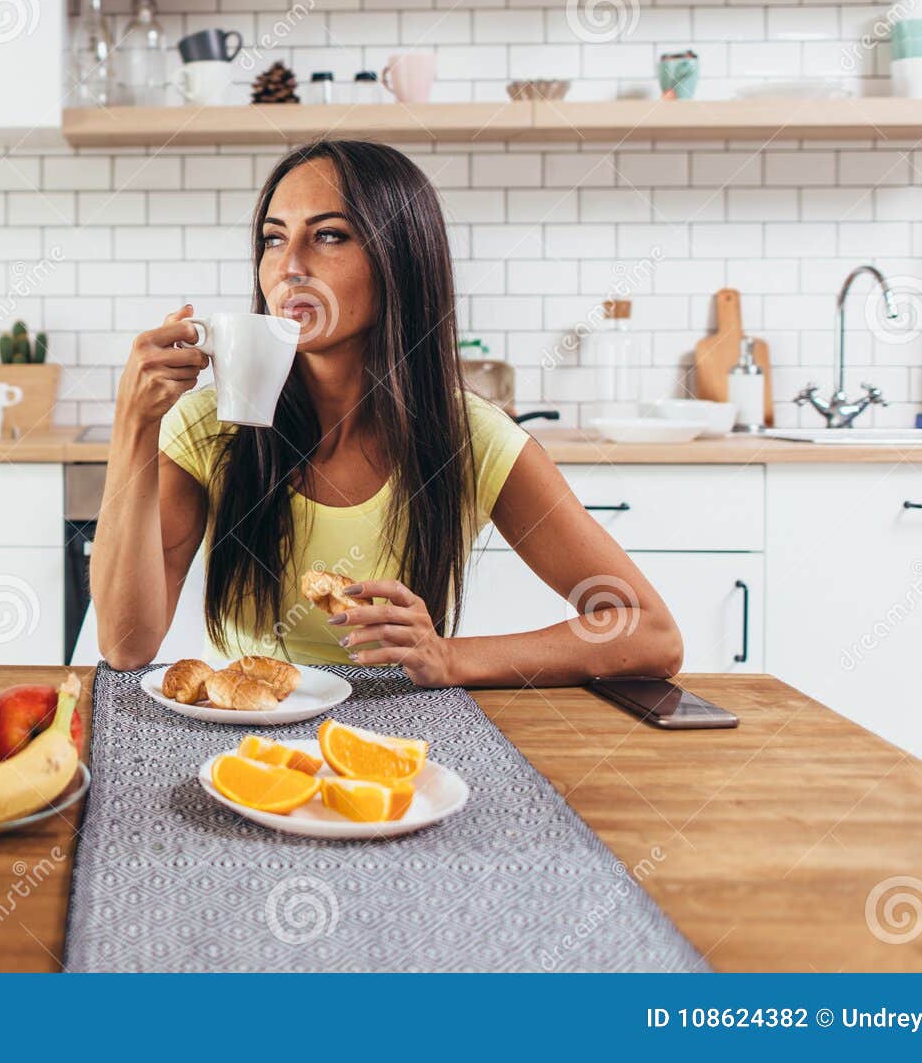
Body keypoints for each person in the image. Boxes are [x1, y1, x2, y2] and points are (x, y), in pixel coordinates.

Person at [90, 139, 682, 687]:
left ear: (399, 260)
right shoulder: (208, 427)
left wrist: (451, 657)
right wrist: (134, 424)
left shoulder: (470, 439)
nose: (289, 265)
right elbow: (126, 646)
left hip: (407, 742)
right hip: (252, 733)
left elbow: (649, 631)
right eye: (273, 239)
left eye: (329, 236)